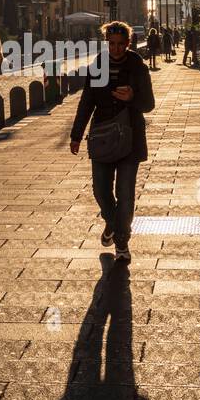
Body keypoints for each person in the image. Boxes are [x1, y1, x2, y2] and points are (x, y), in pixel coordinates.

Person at [70, 20, 155, 264]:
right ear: (107, 43)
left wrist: (132, 97)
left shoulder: (137, 66)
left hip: (130, 137)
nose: (116, 49)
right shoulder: (99, 65)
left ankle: (121, 242)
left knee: (125, 194)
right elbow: (87, 101)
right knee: (100, 191)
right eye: (112, 44)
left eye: (121, 44)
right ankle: (111, 221)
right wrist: (76, 135)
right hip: (103, 137)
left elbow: (149, 104)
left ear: (129, 43)